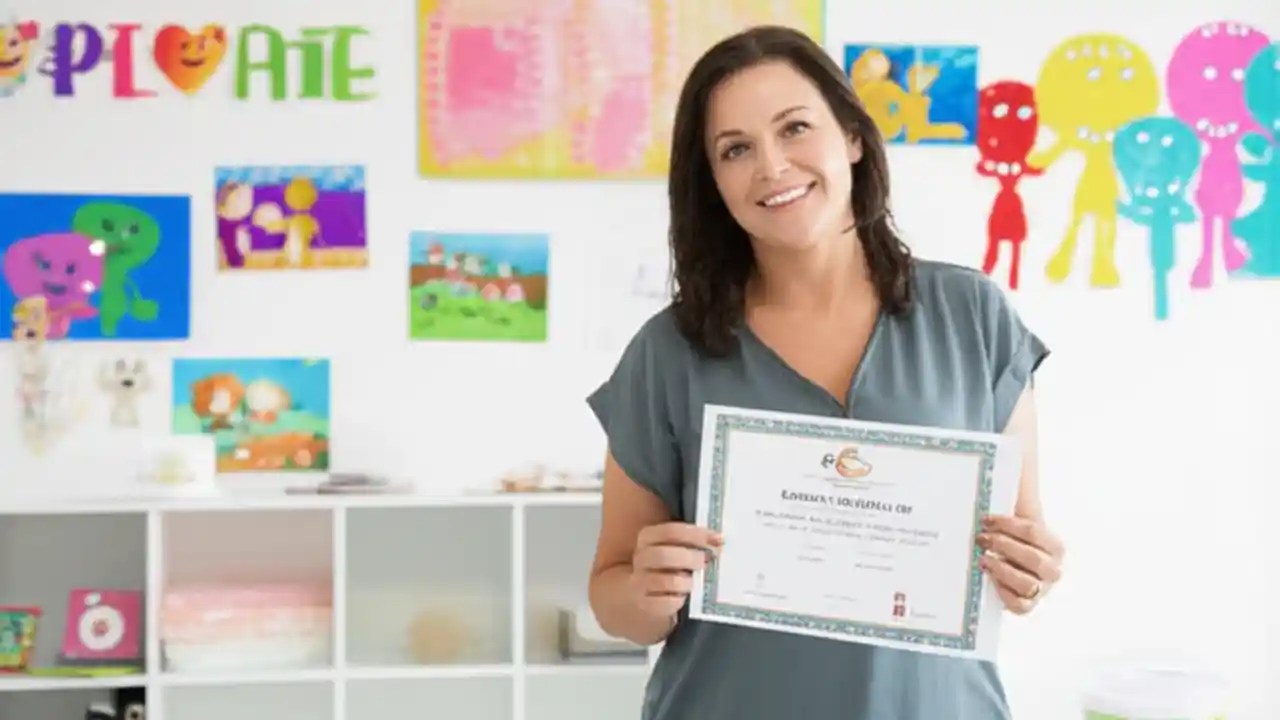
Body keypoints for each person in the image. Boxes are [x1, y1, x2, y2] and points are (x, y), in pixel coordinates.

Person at [585, 24, 1065, 720]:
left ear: (853, 137)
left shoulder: (973, 316)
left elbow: (1021, 549)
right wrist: (643, 594)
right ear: (712, 182)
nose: (772, 166)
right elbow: (612, 595)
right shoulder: (668, 352)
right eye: (736, 149)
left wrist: (1031, 574)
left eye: (795, 128)